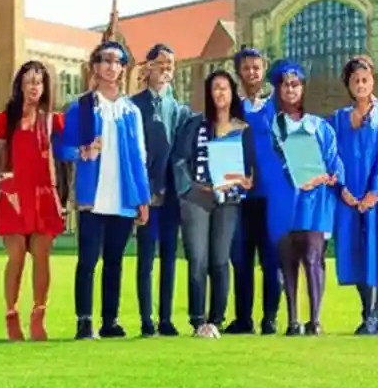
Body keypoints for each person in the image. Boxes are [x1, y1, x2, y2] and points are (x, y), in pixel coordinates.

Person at [56, 41, 151, 340]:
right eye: (105, 60)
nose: (111, 66)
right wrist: (80, 153)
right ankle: (84, 321)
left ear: (123, 69)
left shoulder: (130, 111)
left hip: (122, 198)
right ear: (95, 66)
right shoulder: (81, 107)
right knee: (87, 261)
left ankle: (110, 321)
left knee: (115, 262)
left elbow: (139, 157)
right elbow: (60, 147)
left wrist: (143, 198)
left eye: (117, 61)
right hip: (91, 198)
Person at [0, 61, 70, 342]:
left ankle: (38, 315)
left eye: (39, 82)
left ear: (45, 87)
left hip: (44, 195)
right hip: (14, 196)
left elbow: (64, 160)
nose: (34, 86)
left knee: (42, 256)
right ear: (20, 85)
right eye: (29, 81)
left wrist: (64, 198)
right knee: (17, 255)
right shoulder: (5, 119)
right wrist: (4, 181)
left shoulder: (53, 120)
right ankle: (11, 314)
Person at [170, 69, 256, 338]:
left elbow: (249, 170)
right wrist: (192, 188)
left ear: (233, 93)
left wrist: (245, 182)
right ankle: (198, 320)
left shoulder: (242, 129)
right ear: (209, 93)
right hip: (197, 198)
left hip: (228, 201)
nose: (220, 92)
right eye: (215, 87)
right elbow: (180, 160)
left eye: (225, 88)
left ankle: (216, 320)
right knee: (198, 258)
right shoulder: (195, 125)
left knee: (220, 260)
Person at [262, 60, 344, 336]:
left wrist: (329, 177)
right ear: (278, 90)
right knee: (287, 260)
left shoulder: (319, 126)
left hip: (314, 201)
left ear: (303, 88)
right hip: (284, 199)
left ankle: (315, 319)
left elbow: (334, 163)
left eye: (295, 84)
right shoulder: (272, 127)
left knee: (312, 257)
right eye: (285, 85)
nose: (290, 90)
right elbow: (267, 162)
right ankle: (293, 320)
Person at [331, 55, 378, 335]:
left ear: (372, 81)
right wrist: (343, 189)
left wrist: (374, 191)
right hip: (349, 197)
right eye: (355, 80)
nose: (360, 84)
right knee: (356, 253)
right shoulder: (338, 118)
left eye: (365, 79)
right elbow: (333, 155)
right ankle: (366, 313)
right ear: (348, 84)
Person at [130, 43, 189, 337]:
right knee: (146, 258)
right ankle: (146, 319)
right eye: (162, 63)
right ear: (148, 66)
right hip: (147, 195)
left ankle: (166, 318)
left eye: (171, 65)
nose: (167, 69)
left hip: (172, 197)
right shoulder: (134, 106)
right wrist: (142, 192)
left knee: (169, 257)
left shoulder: (179, 109)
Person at [225, 47, 282, 335]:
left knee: (272, 259)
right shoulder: (231, 108)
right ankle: (243, 318)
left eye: (256, 67)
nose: (251, 72)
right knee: (241, 259)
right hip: (240, 196)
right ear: (239, 72)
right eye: (246, 67)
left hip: (271, 195)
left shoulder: (275, 106)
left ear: (263, 70)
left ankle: (270, 317)